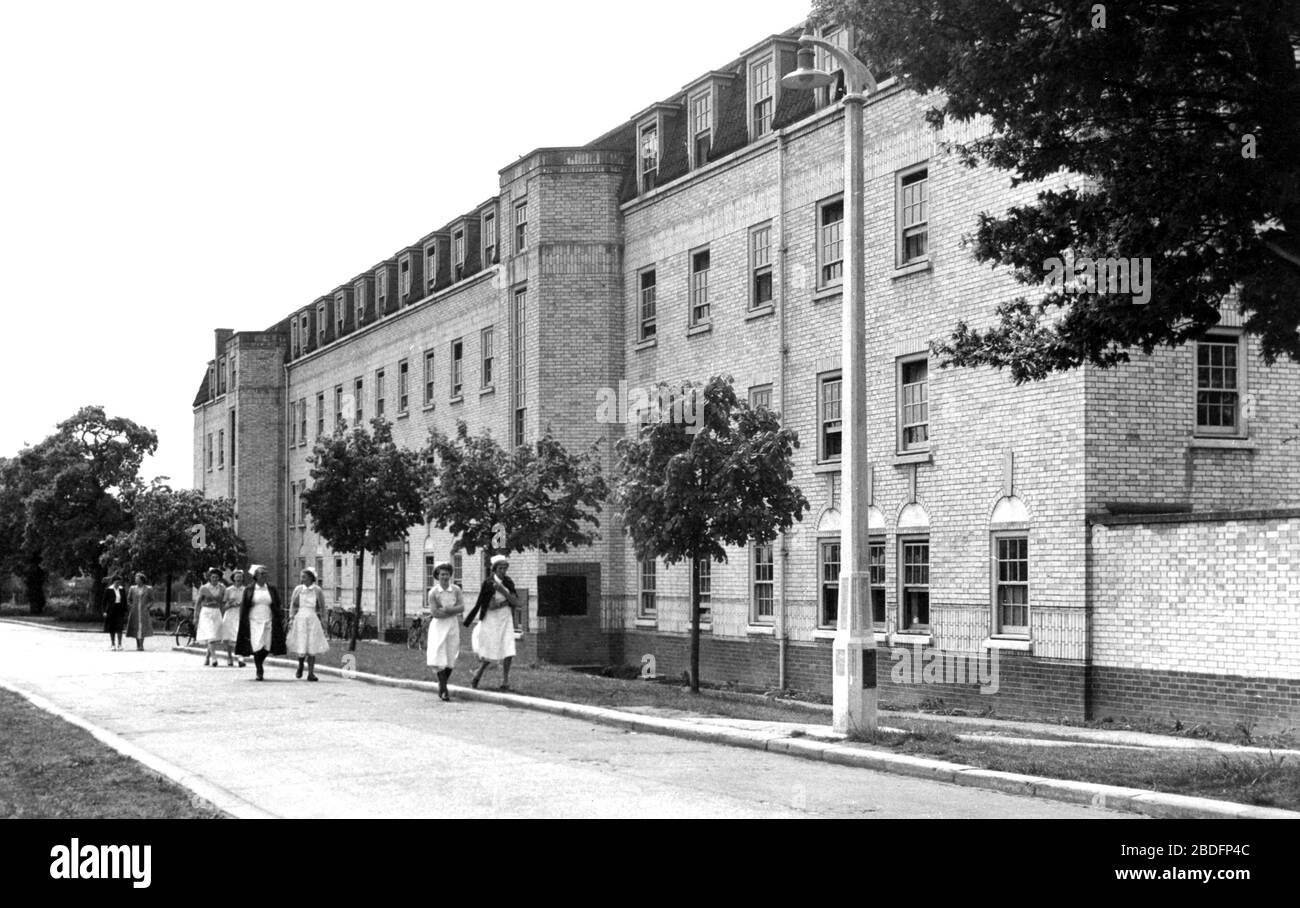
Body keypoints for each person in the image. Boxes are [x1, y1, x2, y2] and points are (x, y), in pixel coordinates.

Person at [466, 554, 519, 691]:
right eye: (500, 568)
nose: (503, 571)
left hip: (506, 619)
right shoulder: (489, 583)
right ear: (494, 569)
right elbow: (490, 606)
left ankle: (505, 681)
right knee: (490, 649)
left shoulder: (508, 582)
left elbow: (515, 602)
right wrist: (506, 602)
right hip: (492, 619)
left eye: (505, 568)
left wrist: (502, 591)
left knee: (508, 648)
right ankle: (478, 673)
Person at [236, 565, 286, 681]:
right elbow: (244, 606)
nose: (264, 576)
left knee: (267, 646)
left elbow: (277, 604)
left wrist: (280, 616)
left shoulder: (271, 589)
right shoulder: (249, 589)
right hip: (254, 620)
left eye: (265, 574)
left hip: (268, 619)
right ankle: (259, 669)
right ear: (256, 576)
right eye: (262, 574)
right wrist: (243, 620)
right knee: (257, 644)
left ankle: (259, 663)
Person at [425, 561, 464, 701]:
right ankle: (443, 688)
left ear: (450, 575)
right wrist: (450, 612)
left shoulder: (456, 590)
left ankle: (442, 684)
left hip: (453, 625)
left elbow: (461, 607)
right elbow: (435, 613)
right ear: (437, 575)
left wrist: (448, 610)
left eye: (447, 574)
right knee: (439, 653)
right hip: (439, 626)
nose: (444, 577)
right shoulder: (433, 592)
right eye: (442, 574)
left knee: (451, 654)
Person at [286, 568, 330, 681]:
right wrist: (291, 617)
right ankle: (300, 665)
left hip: (312, 618)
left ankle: (311, 673)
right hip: (300, 618)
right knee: (302, 642)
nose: (302, 579)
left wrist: (324, 621)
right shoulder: (298, 589)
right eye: (301, 577)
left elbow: (322, 606)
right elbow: (293, 604)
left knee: (312, 645)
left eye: (304, 577)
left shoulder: (317, 590)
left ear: (311, 578)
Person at [194, 567, 227, 667]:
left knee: (214, 636)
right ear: (209, 578)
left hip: (216, 612)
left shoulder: (222, 588)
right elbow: (198, 602)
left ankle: (207, 657)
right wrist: (196, 616)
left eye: (217, 577)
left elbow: (223, 602)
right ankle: (214, 658)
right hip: (206, 612)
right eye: (213, 577)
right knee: (210, 634)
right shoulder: (204, 588)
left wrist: (223, 613)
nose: (215, 579)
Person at [220, 568, 247, 667]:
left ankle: (240, 657)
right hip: (230, 614)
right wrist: (231, 604)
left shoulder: (245, 590)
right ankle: (229, 656)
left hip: (240, 614)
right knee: (228, 637)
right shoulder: (228, 590)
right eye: (237, 577)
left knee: (238, 635)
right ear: (233, 578)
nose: (238, 579)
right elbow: (224, 605)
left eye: (240, 577)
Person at [125, 572, 154, 651]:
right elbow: (128, 599)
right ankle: (138, 644)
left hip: (144, 611)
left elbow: (152, 600)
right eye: (135, 578)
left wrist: (148, 606)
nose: (136, 580)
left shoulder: (148, 588)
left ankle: (141, 645)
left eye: (137, 578)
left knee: (142, 627)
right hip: (135, 611)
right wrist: (131, 606)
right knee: (136, 627)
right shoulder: (132, 588)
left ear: (142, 580)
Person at [102, 575, 128, 651]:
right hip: (111, 610)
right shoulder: (108, 590)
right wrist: (104, 611)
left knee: (120, 627)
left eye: (119, 582)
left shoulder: (122, 589)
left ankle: (120, 644)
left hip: (120, 609)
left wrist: (126, 610)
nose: (118, 584)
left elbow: (124, 601)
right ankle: (113, 644)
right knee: (112, 627)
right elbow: (104, 601)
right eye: (116, 582)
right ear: (113, 582)